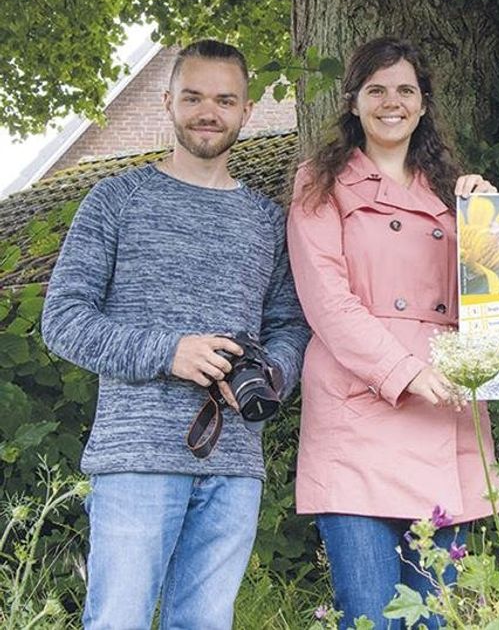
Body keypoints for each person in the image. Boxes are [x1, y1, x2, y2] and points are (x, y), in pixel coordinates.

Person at [41, 39, 309, 629]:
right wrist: (170, 352)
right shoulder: (115, 199)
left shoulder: (266, 219)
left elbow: (290, 325)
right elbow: (61, 318)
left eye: (223, 99)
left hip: (235, 459)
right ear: (167, 102)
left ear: (244, 110)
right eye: (192, 96)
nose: (207, 111)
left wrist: (272, 375)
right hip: (135, 455)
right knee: (119, 621)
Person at [286, 37, 499, 629]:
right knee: (372, 620)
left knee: (436, 620)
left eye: (405, 90)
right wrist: (405, 372)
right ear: (352, 101)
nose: (392, 102)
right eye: (376, 90)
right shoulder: (318, 184)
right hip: (360, 419)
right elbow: (327, 302)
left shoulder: (455, 192)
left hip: (444, 413)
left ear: (425, 103)